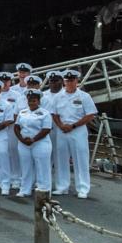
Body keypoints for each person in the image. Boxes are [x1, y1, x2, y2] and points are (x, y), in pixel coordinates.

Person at [52, 70, 97, 199]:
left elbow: (90, 115)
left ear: (76, 81)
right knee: (61, 159)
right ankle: (62, 186)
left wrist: (73, 126)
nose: (69, 83)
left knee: (80, 159)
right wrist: (61, 125)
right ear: (64, 82)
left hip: (78, 130)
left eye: (72, 80)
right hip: (62, 130)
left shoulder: (84, 96)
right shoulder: (58, 97)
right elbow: (54, 114)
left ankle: (82, 188)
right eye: (67, 81)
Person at [14, 89, 53, 197]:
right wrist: (21, 139)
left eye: (34, 100)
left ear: (39, 101)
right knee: (25, 166)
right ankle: (25, 189)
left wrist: (33, 139)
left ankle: (44, 190)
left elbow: (46, 129)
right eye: (30, 100)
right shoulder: (22, 112)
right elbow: (16, 127)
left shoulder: (45, 113)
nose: (32, 102)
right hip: (23, 143)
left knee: (42, 167)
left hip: (40, 143)